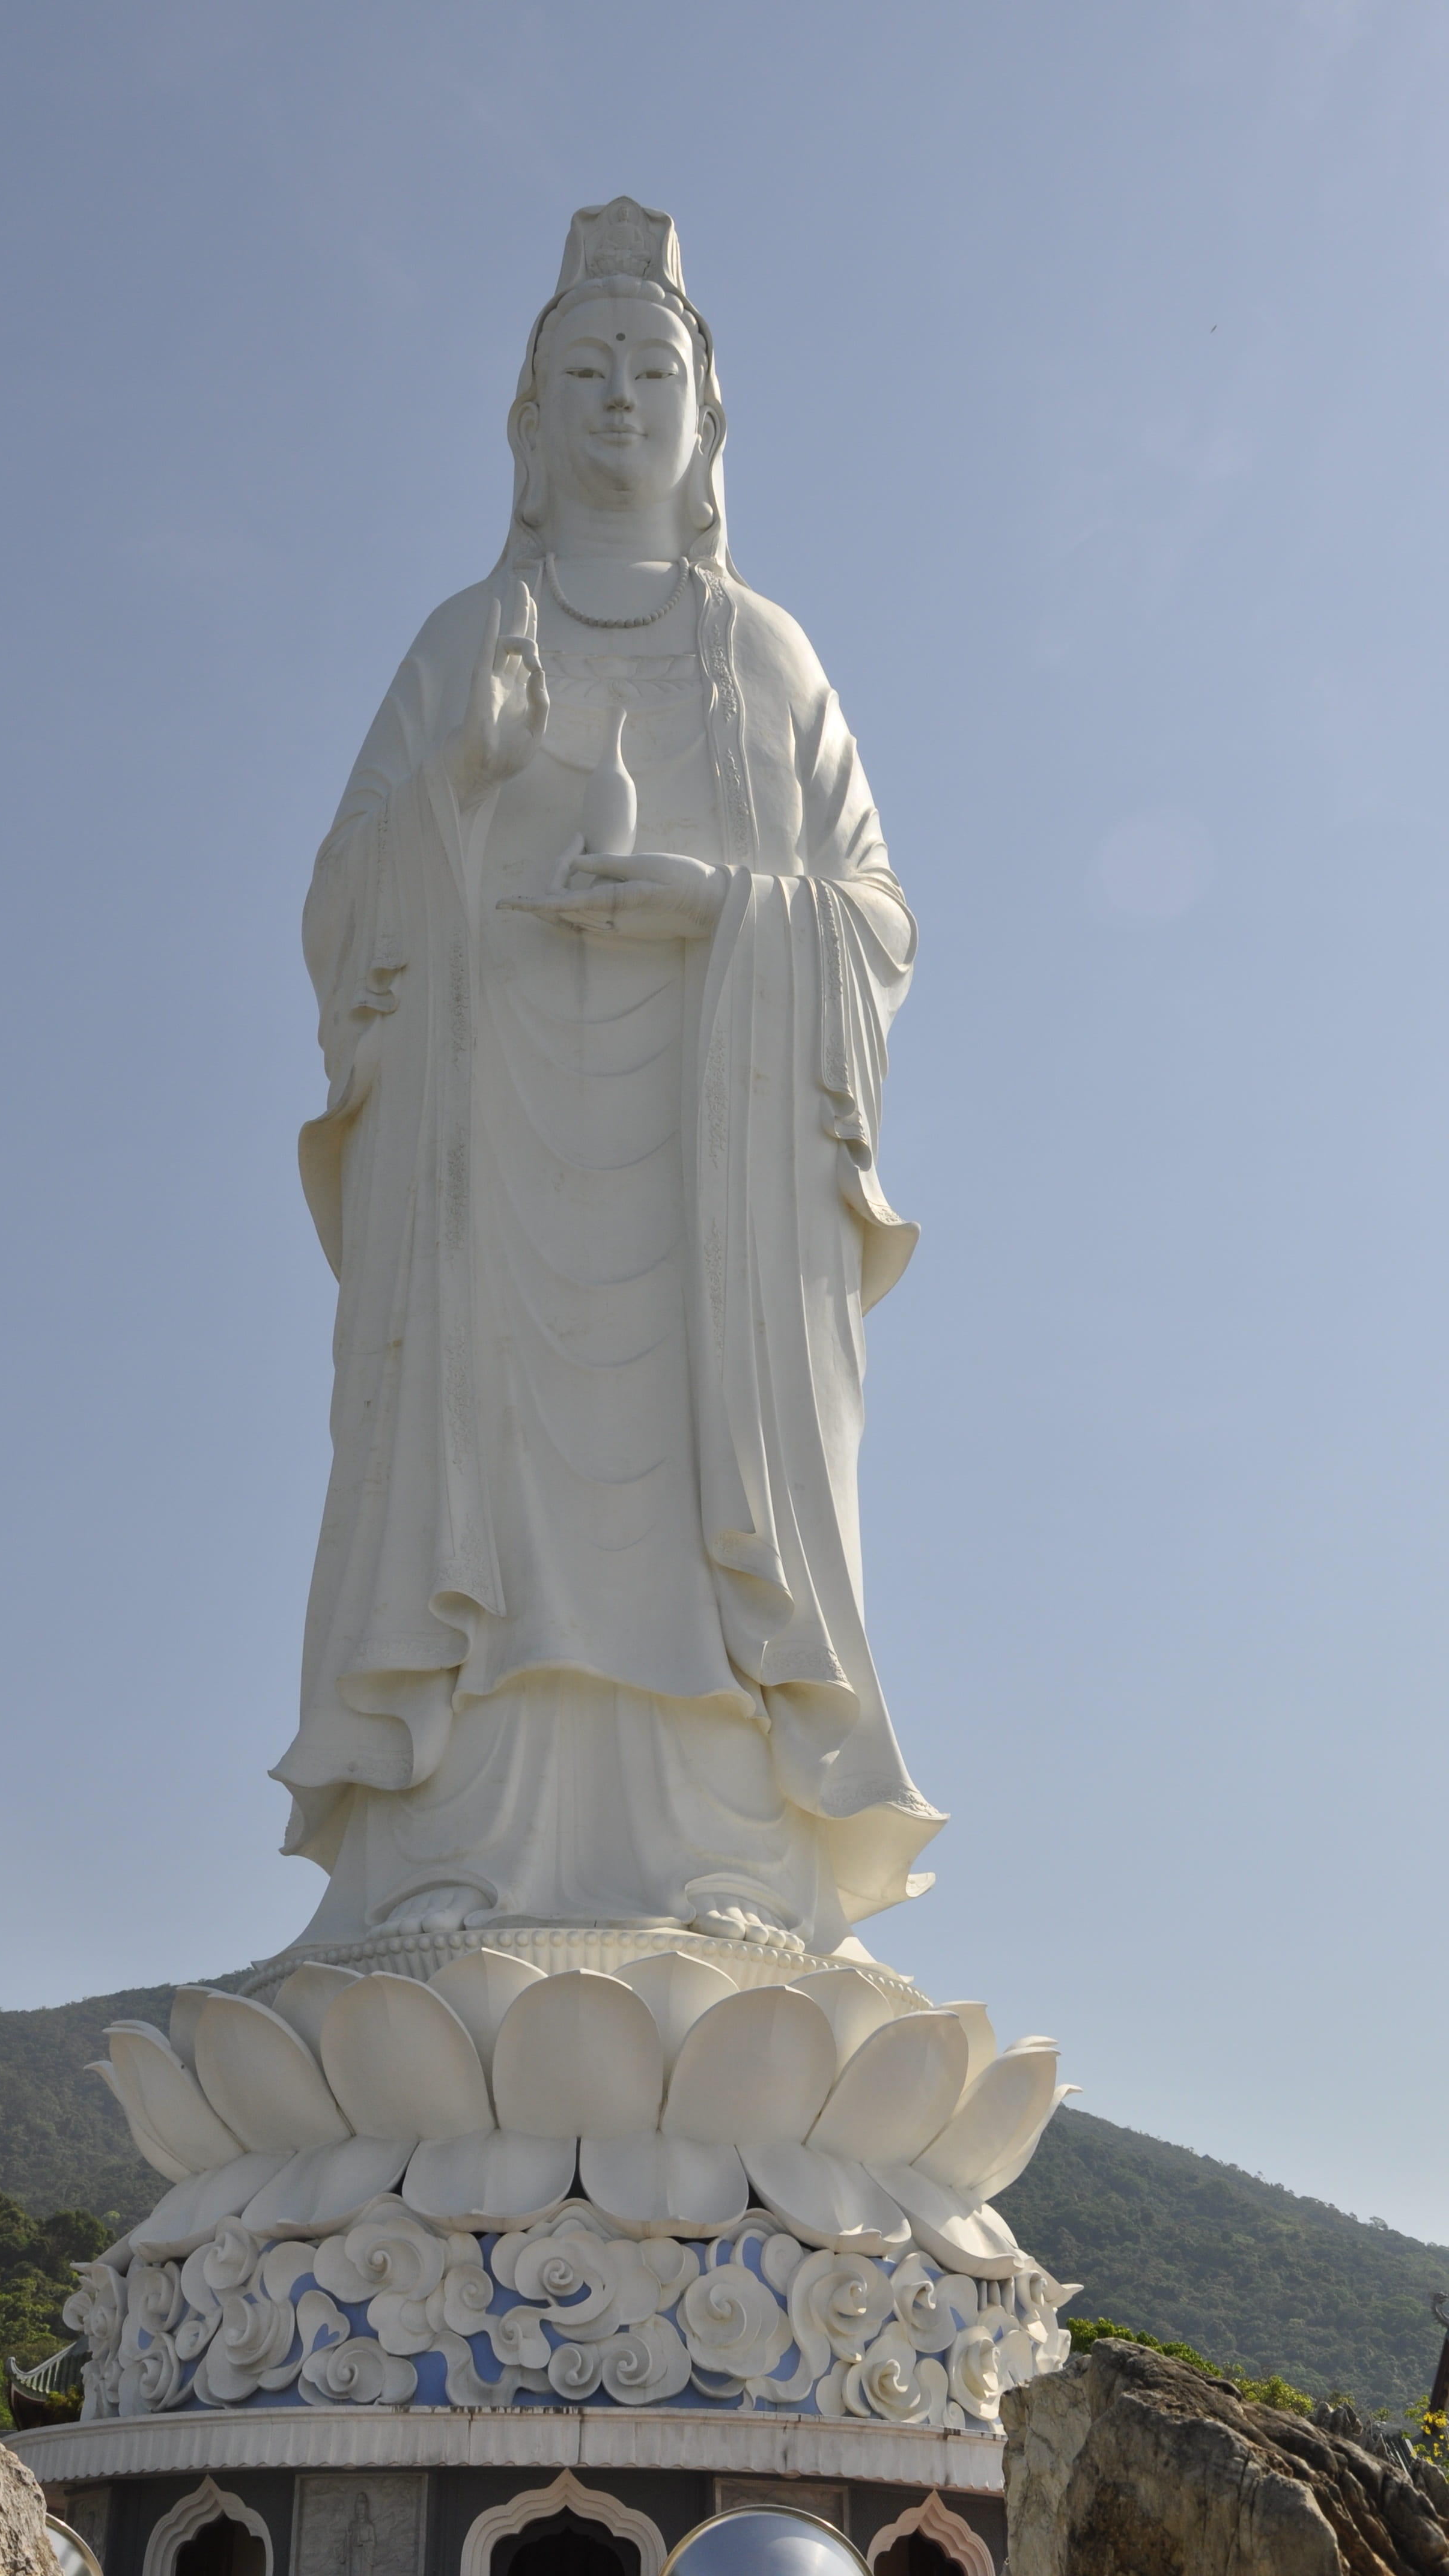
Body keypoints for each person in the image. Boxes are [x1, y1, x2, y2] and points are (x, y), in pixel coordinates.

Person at [273, 199, 943, 1960]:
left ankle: (729, 1843)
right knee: (485, 1474)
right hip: (493, 1161)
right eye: (587, 371)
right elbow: (341, 908)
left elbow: (876, 918)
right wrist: (457, 796)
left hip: (708, 1174)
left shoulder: (771, 656)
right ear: (530, 417)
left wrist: (722, 911)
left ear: (709, 419)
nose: (624, 400)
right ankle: (452, 1846)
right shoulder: (458, 645)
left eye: (656, 369)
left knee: (702, 1491)